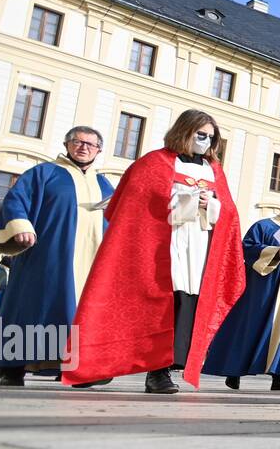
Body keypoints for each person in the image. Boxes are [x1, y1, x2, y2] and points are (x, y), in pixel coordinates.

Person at [63, 110, 246, 393]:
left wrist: (211, 204)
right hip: (160, 247)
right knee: (156, 306)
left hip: (197, 249)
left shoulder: (214, 170)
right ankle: (121, 367)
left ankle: (164, 371)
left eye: (211, 137)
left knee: (184, 306)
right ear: (184, 132)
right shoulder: (156, 162)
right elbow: (135, 203)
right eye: (201, 135)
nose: (206, 141)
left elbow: (229, 214)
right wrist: (185, 199)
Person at [0, 127, 114, 386]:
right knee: (30, 308)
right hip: (47, 256)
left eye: (90, 144)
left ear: (99, 150)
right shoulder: (44, 173)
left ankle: (75, 369)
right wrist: (21, 226)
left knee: (80, 314)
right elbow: (16, 199)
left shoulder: (103, 184)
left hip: (91, 260)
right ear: (67, 144)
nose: (84, 147)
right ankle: (12, 368)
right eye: (77, 142)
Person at [203, 193, 280, 391]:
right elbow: (247, 248)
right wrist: (275, 252)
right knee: (250, 327)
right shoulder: (264, 226)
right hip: (264, 287)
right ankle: (233, 372)